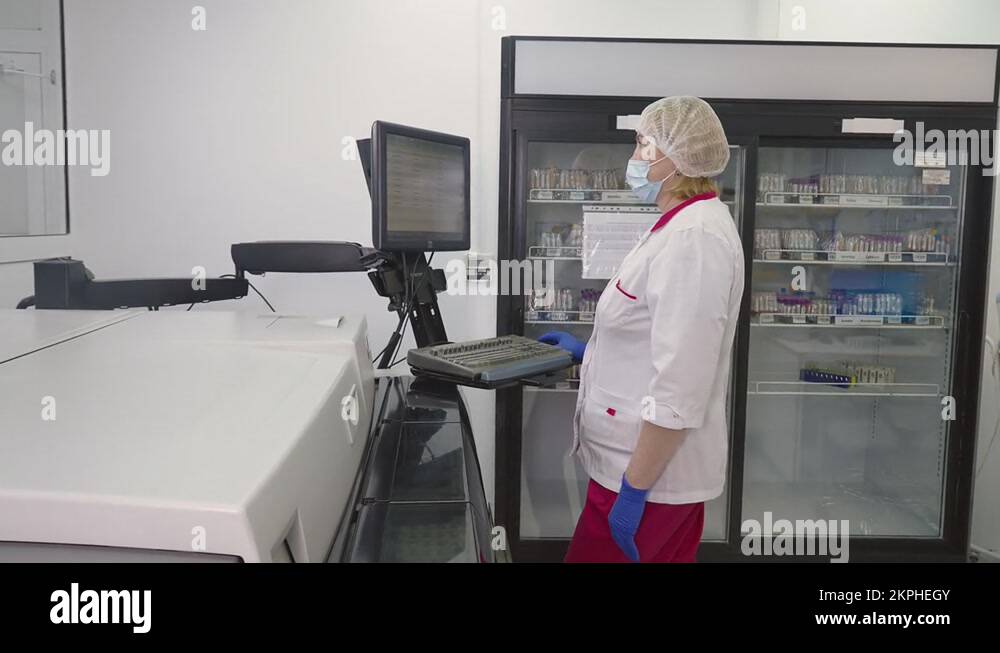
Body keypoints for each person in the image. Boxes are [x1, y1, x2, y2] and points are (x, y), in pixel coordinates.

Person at [540, 96, 744, 563]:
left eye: (642, 144)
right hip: (641, 472)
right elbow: (654, 336)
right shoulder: (678, 227)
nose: (634, 157)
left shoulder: (695, 240)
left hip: (648, 481)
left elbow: (680, 384)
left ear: (674, 157)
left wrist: (634, 492)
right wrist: (587, 352)